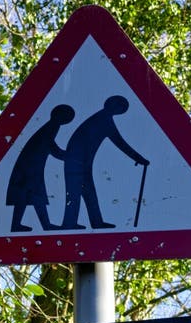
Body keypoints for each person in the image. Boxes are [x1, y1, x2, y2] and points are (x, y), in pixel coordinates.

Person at [61, 95, 149, 229]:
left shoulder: (101, 118)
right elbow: (120, 142)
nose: (121, 111)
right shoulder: (103, 120)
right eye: (121, 108)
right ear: (113, 106)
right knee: (74, 194)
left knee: (89, 193)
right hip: (76, 163)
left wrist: (139, 159)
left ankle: (96, 223)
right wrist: (139, 158)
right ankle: (69, 224)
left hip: (82, 164)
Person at [6, 104, 75, 232]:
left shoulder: (52, 126)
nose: (66, 120)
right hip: (29, 169)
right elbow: (51, 146)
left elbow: (50, 146)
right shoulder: (52, 126)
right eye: (66, 117)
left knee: (30, 196)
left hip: (30, 167)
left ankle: (41, 225)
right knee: (32, 196)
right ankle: (38, 225)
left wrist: (65, 155)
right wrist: (69, 156)